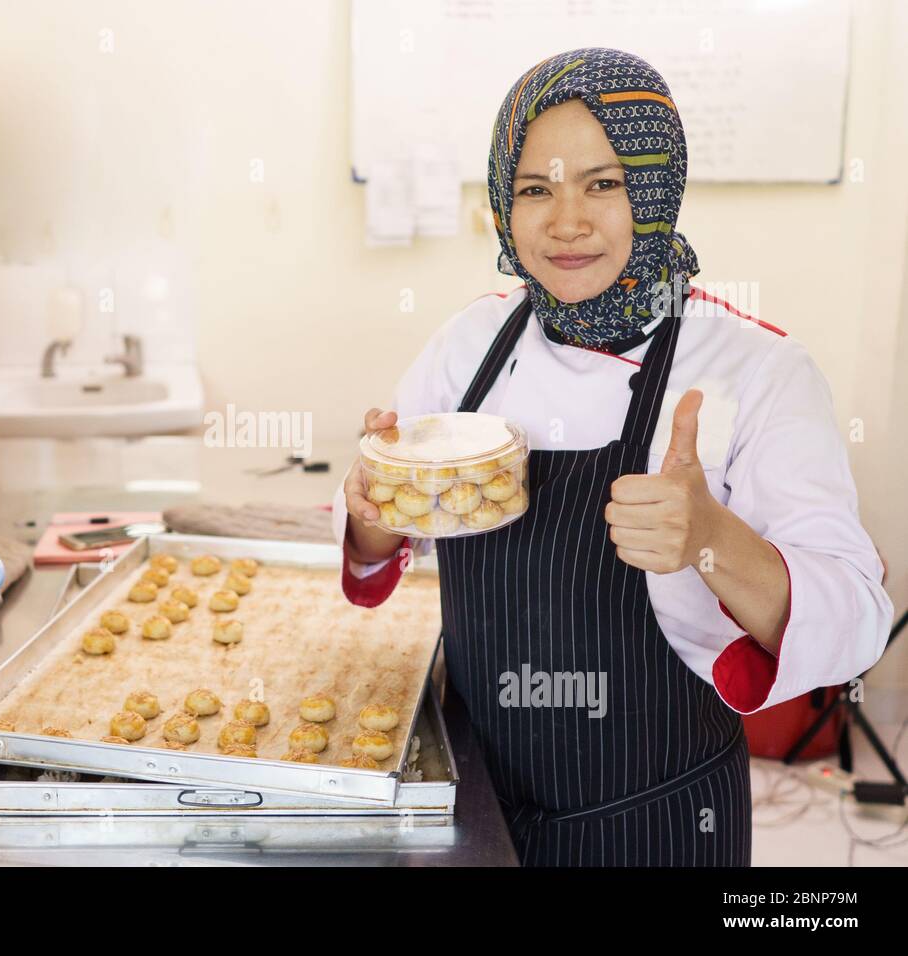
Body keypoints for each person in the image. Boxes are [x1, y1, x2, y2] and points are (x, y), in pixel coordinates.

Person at [334, 48, 892, 866]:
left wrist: (711, 538)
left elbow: (857, 625)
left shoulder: (756, 370)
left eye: (605, 183)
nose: (567, 221)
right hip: (478, 796)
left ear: (658, 187)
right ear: (501, 202)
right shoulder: (469, 347)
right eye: (534, 189)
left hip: (655, 819)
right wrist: (371, 511)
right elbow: (389, 546)